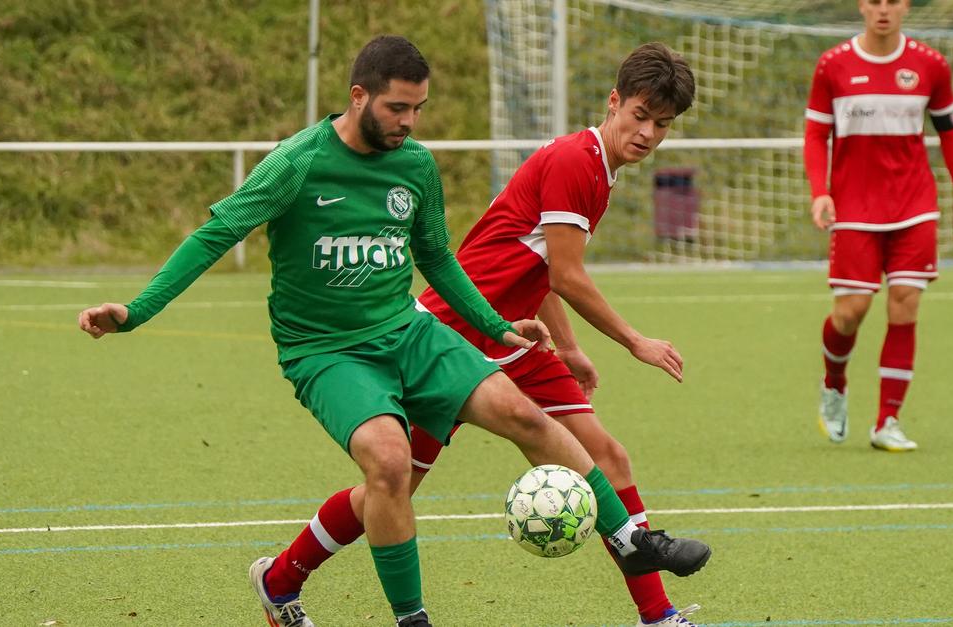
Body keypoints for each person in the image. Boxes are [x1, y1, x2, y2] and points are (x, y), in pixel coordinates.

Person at [77, 36, 709, 627]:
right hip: (351, 345)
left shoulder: (418, 165)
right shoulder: (299, 161)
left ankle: (640, 565)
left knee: (539, 427)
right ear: (359, 96)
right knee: (390, 472)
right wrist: (137, 310)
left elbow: (448, 259)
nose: (409, 121)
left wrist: (510, 330)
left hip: (430, 332)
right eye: (397, 108)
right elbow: (216, 233)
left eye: (418, 109)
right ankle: (345, 598)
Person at [804, 0, 953, 451]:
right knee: (850, 312)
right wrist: (820, 191)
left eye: (893, 1)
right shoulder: (833, 65)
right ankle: (834, 382)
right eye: (875, 1)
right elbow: (816, 134)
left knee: (905, 304)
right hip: (854, 209)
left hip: (914, 206)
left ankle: (887, 421)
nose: (884, 10)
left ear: (906, 7)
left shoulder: (930, 64)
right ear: (862, 6)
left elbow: (951, 132)